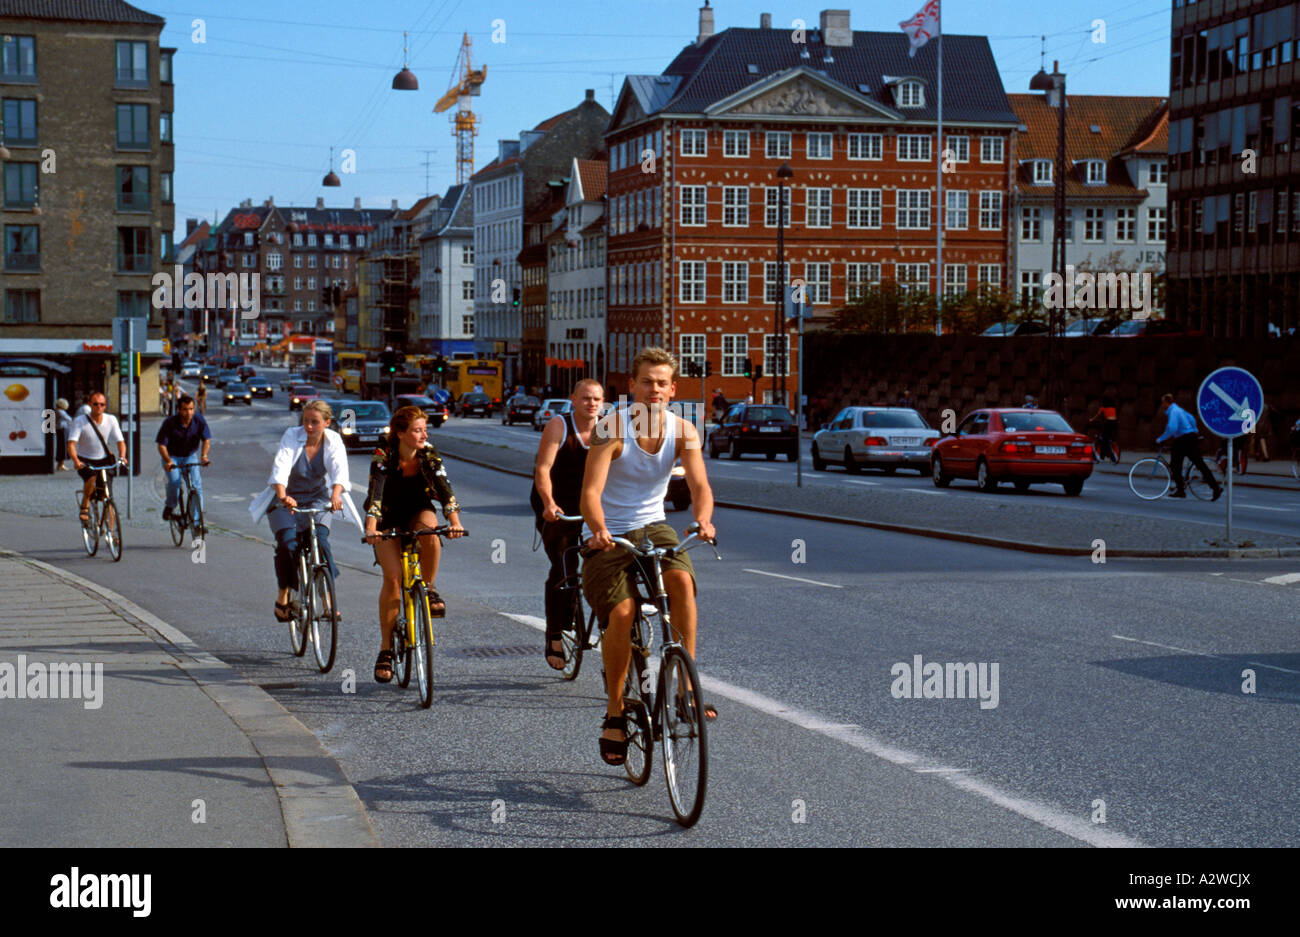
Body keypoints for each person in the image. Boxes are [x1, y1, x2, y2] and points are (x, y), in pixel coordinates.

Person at [580, 346, 717, 767]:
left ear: (672, 389)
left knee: (681, 581)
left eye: (662, 383)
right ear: (632, 386)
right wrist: (599, 529)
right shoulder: (611, 428)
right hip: (609, 531)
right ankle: (616, 710)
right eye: (646, 382)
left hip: (653, 525)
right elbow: (589, 492)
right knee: (621, 614)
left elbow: (699, 487)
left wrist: (704, 520)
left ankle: (685, 685)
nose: (654, 389)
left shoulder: (683, 431)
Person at [362, 405, 465, 683]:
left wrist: (454, 521)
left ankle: (429, 589)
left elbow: (444, 488)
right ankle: (385, 650)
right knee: (393, 579)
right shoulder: (384, 453)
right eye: (417, 430)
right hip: (387, 516)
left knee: (431, 532)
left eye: (425, 429)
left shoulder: (428, 454)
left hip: (418, 508)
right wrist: (371, 529)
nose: (423, 435)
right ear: (400, 433)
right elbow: (376, 492)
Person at [248, 400, 363, 623]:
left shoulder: (334, 440)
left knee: (321, 542)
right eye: (305, 421)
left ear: (327, 423)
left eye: (315, 422)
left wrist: (336, 494)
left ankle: (328, 602)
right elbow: (280, 468)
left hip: (319, 498)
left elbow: (340, 470)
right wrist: (283, 495)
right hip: (286, 499)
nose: (308, 427)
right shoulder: (292, 435)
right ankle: (283, 597)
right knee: (287, 543)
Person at [532, 378, 605, 670]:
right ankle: (554, 635)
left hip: (591, 507)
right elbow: (543, 468)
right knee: (564, 565)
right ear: (573, 399)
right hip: (557, 506)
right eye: (586, 398)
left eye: (597, 399)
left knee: (610, 559)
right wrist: (549, 503)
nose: (591, 404)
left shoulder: (608, 429)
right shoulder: (559, 426)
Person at [67, 392, 127, 524]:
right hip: (85, 459)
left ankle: (112, 533)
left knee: (108, 497)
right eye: (95, 404)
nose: (99, 407)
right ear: (90, 405)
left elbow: (120, 441)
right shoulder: (80, 421)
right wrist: (76, 461)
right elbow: (71, 444)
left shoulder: (111, 419)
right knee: (91, 478)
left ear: (105, 406)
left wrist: (122, 456)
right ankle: (85, 505)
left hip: (104, 459)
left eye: (102, 404)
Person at [155, 394, 211, 522]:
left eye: (191, 409)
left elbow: (206, 440)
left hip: (190, 456)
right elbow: (161, 445)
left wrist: (204, 456)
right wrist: (168, 461)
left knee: (196, 486)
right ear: (179, 410)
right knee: (174, 482)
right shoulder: (170, 423)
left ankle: (197, 522)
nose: (189, 412)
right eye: (185, 409)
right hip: (172, 456)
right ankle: (170, 505)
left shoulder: (199, 420)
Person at [1156, 392, 1222, 500]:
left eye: (1163, 403)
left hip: (1182, 439)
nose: (1162, 405)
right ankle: (1215, 487)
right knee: (1200, 464)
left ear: (1166, 402)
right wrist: (1194, 430)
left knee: (1175, 465)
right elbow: (1191, 418)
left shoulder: (1174, 411)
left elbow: (1172, 427)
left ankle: (1180, 490)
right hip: (1190, 437)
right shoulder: (1178, 409)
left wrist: (1161, 439)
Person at [1086, 395, 1119, 463]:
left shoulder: (1103, 408)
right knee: (1108, 438)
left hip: (1108, 423)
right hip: (1114, 424)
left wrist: (1091, 419)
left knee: (1104, 440)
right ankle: (1108, 450)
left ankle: (1103, 456)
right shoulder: (1113, 408)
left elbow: (1097, 416)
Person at [54, 398, 72, 471]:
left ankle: (60, 464)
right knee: (63, 446)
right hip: (63, 429)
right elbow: (69, 419)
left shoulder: (56, 411)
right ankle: (61, 464)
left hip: (60, 429)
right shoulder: (61, 411)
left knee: (61, 446)